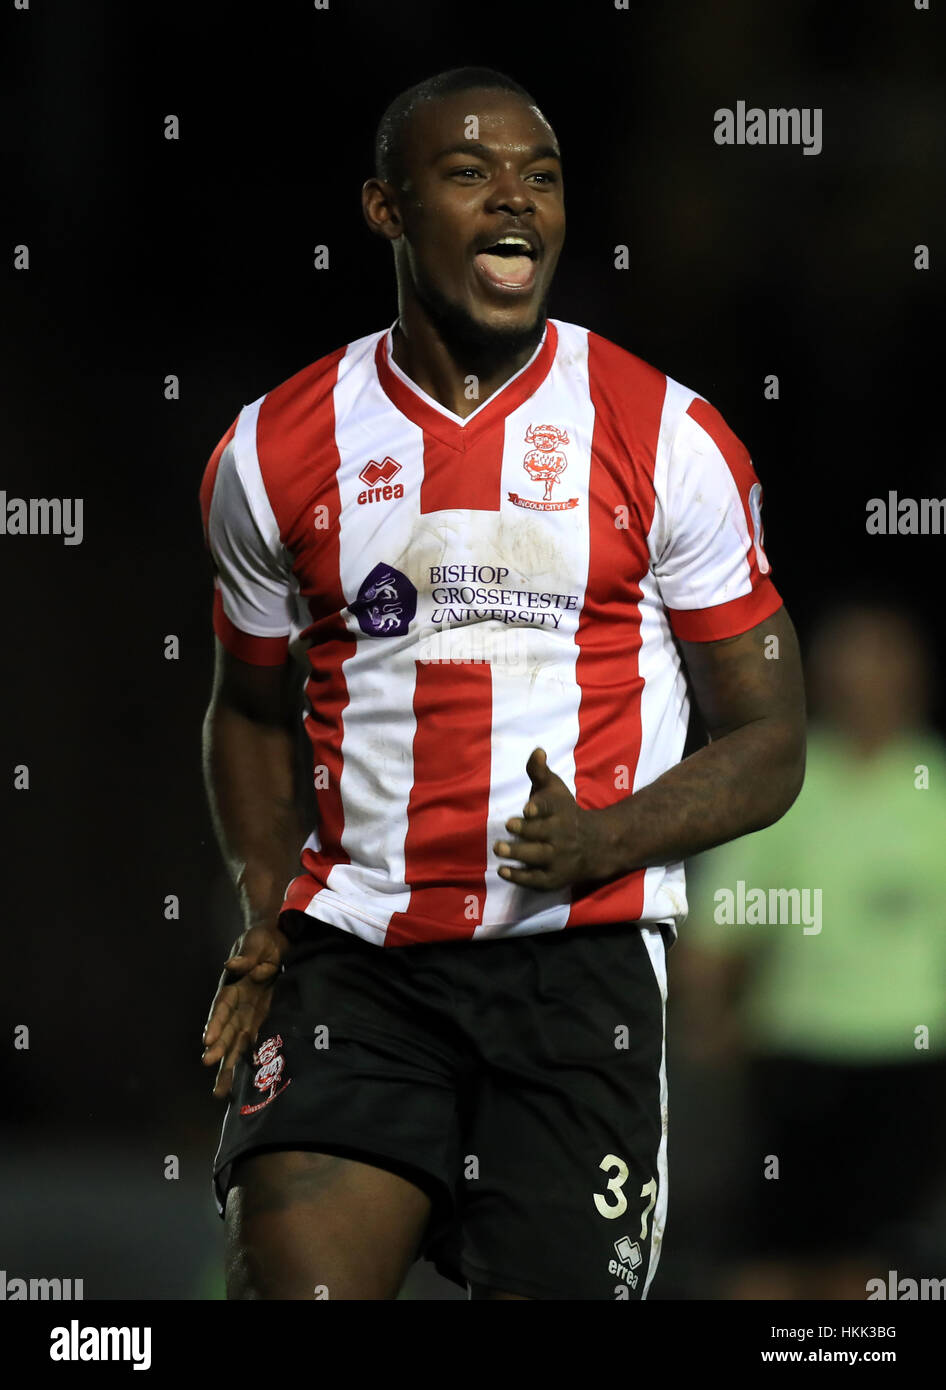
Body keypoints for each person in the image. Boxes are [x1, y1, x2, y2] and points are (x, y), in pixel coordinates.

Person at [198, 65, 806, 1301]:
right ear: (386, 208)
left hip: (574, 977)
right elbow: (250, 711)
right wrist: (267, 909)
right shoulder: (271, 450)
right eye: (470, 174)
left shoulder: (666, 434)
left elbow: (770, 736)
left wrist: (606, 837)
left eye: (539, 175)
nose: (512, 201)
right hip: (359, 962)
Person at [676, 599, 946, 1299]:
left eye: (887, 659)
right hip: (794, 1057)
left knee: (871, 1264)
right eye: (852, 661)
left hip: (911, 1064)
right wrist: (707, 1023)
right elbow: (716, 930)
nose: (869, 679)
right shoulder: (787, 783)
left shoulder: (935, 787)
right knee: (766, 1255)